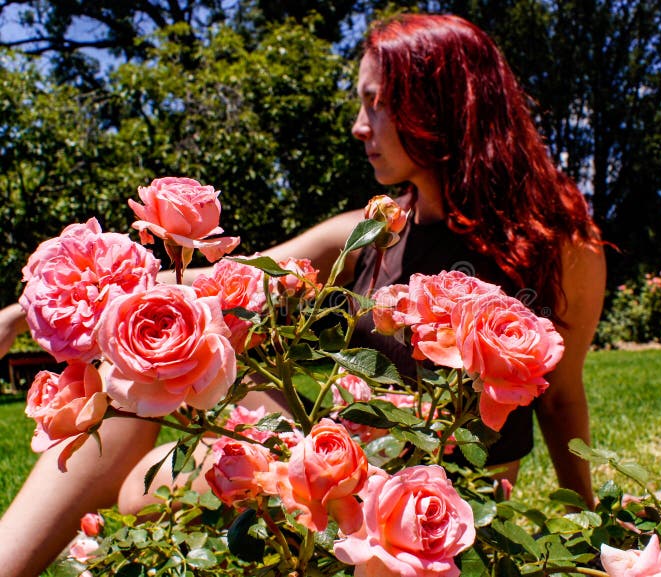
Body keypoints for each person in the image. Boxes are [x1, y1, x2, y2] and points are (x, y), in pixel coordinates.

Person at [0, 13, 605, 576]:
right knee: (142, 368)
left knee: (140, 480)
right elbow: (209, 283)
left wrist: (590, 523)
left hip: (435, 506)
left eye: (377, 103)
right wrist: (25, 312)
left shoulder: (562, 249)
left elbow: (560, 398)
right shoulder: (369, 231)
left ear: (439, 108)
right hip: (341, 473)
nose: (359, 126)